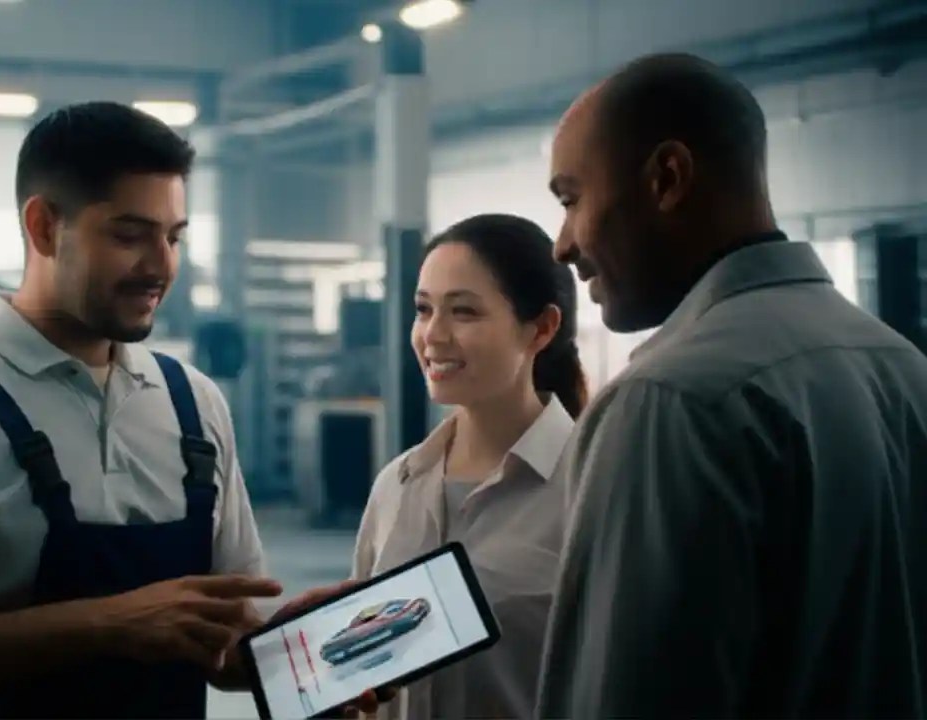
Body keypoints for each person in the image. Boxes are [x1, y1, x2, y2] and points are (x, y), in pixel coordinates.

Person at [0, 102, 287, 719]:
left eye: (173, 237)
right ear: (43, 227)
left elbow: (219, 642)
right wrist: (105, 624)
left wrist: (305, 649)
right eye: (129, 234)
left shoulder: (193, 402)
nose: (162, 266)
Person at [538, 52, 927, 718]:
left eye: (571, 200)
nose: (562, 245)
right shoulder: (901, 366)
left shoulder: (671, 403)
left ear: (667, 177)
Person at [353, 214, 586, 719]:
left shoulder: (590, 487)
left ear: (541, 328)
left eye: (464, 312)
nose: (433, 335)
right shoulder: (397, 485)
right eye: (423, 310)